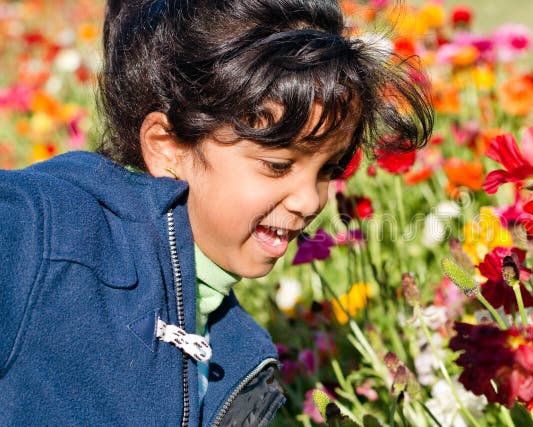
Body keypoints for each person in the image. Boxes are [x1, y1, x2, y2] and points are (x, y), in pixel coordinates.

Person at [0, 0, 432, 425]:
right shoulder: (45, 232)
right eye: (278, 165)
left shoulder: (238, 348)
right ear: (167, 148)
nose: (311, 201)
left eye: (328, 169)